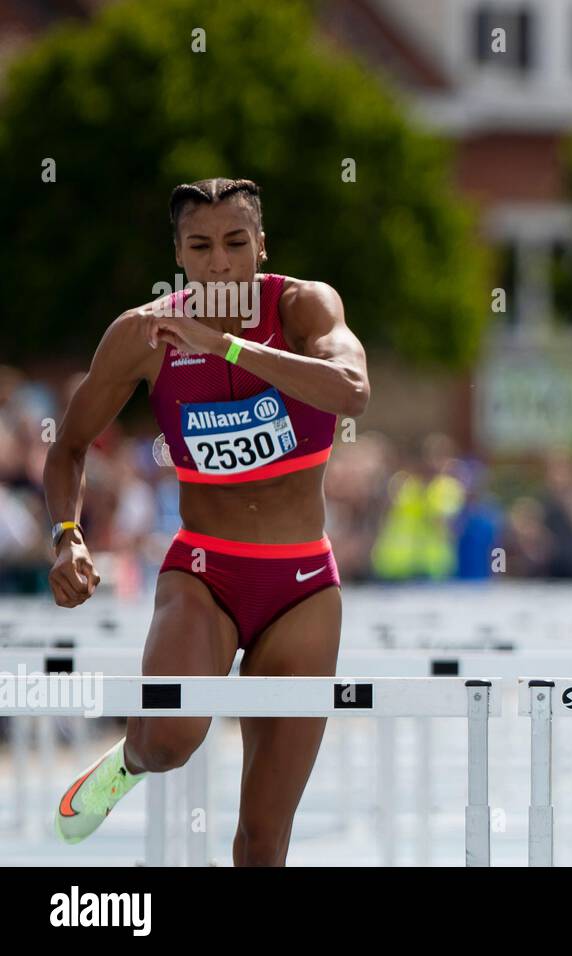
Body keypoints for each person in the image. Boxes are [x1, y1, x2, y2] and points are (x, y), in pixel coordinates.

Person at [44, 177, 369, 864]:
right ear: (179, 254)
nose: (220, 262)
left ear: (260, 245)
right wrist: (66, 537)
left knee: (262, 841)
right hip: (204, 572)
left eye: (234, 242)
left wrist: (224, 346)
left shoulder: (305, 306)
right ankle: (126, 762)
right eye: (200, 246)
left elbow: (352, 391)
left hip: (304, 585)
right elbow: (69, 447)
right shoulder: (142, 333)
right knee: (169, 740)